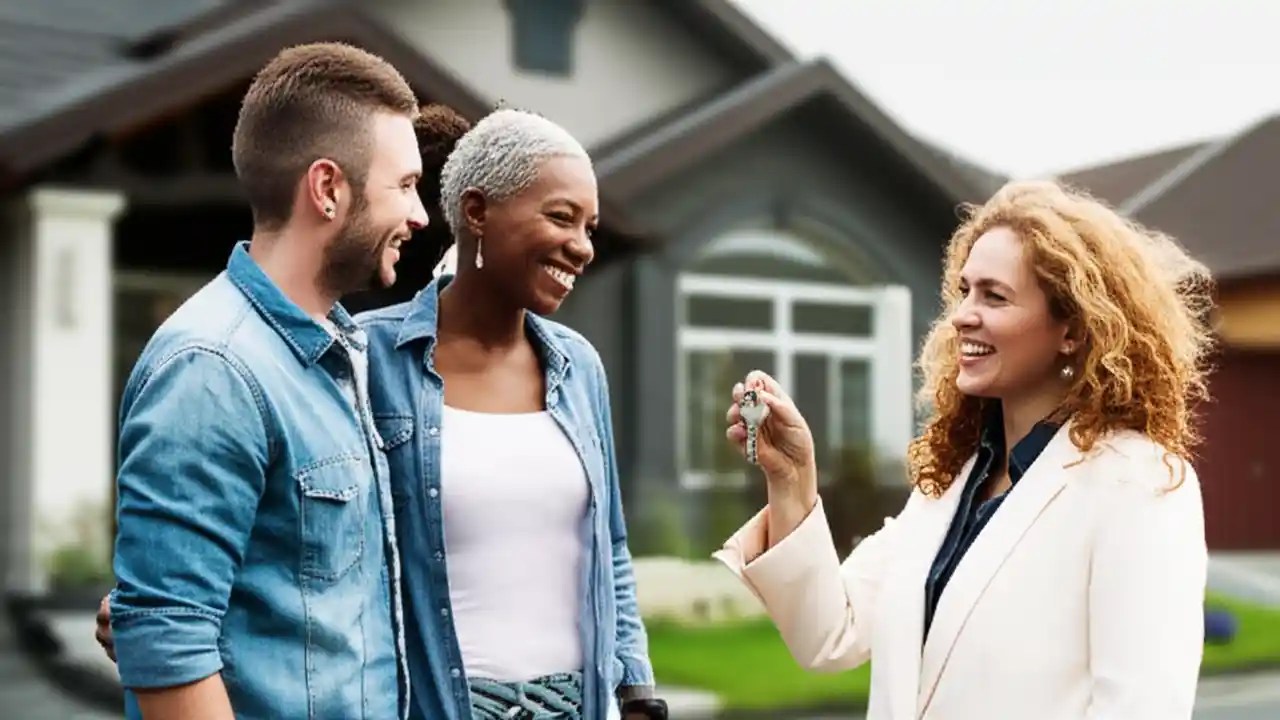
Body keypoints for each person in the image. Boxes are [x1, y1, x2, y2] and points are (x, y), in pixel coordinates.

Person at [715, 180, 1214, 719]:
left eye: (994, 296)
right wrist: (793, 479)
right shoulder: (954, 484)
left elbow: (1141, 709)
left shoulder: (1137, 484)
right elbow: (829, 634)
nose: (961, 316)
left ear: (1070, 330)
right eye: (964, 290)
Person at [107, 42, 426, 719]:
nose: (420, 215)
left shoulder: (344, 354)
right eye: (405, 185)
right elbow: (168, 648)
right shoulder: (212, 371)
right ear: (328, 188)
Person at [356, 105, 660, 720]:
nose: (581, 247)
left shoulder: (579, 368)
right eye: (561, 217)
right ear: (476, 212)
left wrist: (636, 692)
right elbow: (305, 523)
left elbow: (610, 546)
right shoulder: (369, 358)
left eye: (590, 228)